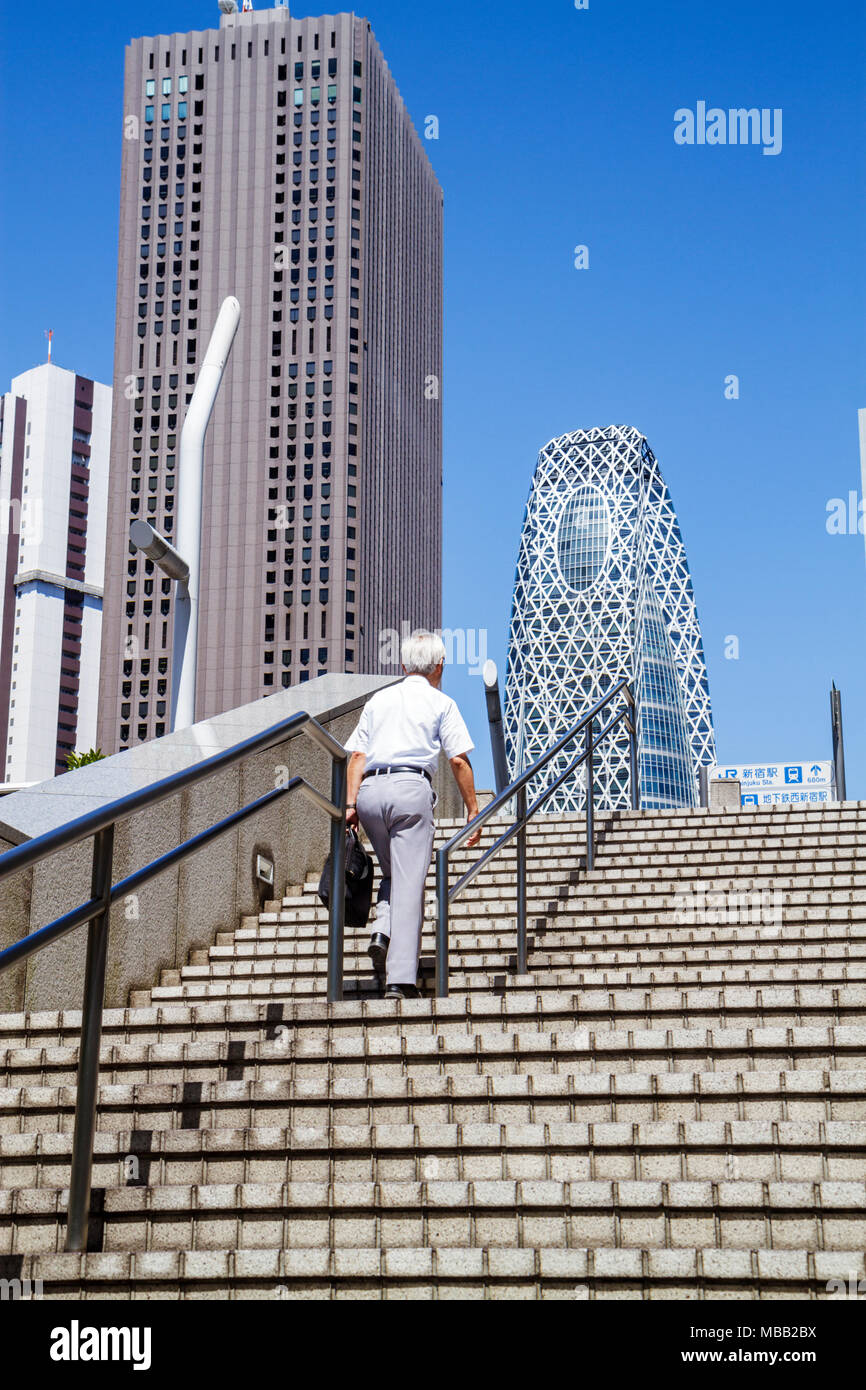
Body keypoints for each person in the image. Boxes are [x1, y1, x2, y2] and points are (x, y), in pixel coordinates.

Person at [344, 629, 481, 999]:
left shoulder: (378, 700)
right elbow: (457, 759)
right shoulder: (441, 703)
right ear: (440, 666)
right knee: (410, 885)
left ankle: (382, 929)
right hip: (409, 792)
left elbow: (357, 755)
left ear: (403, 665)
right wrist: (472, 808)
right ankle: (400, 981)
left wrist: (351, 804)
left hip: (371, 792)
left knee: (394, 872)